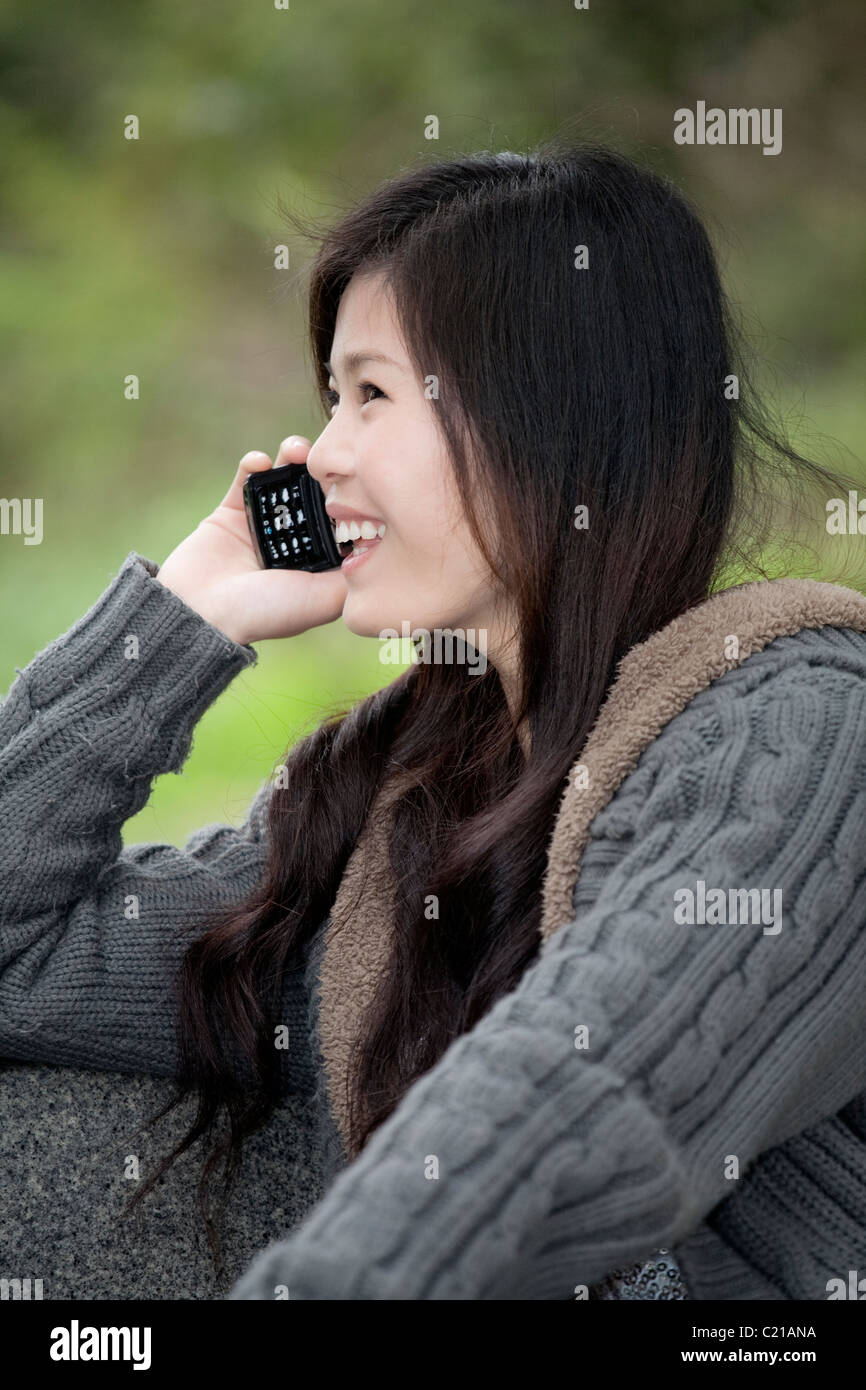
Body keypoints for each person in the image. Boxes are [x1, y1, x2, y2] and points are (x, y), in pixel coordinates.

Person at [2, 141, 865, 1302]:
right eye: (328, 397)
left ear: (551, 416)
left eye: (372, 394)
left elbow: (585, 1094)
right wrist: (171, 625)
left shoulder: (796, 731)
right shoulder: (398, 821)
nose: (325, 456)